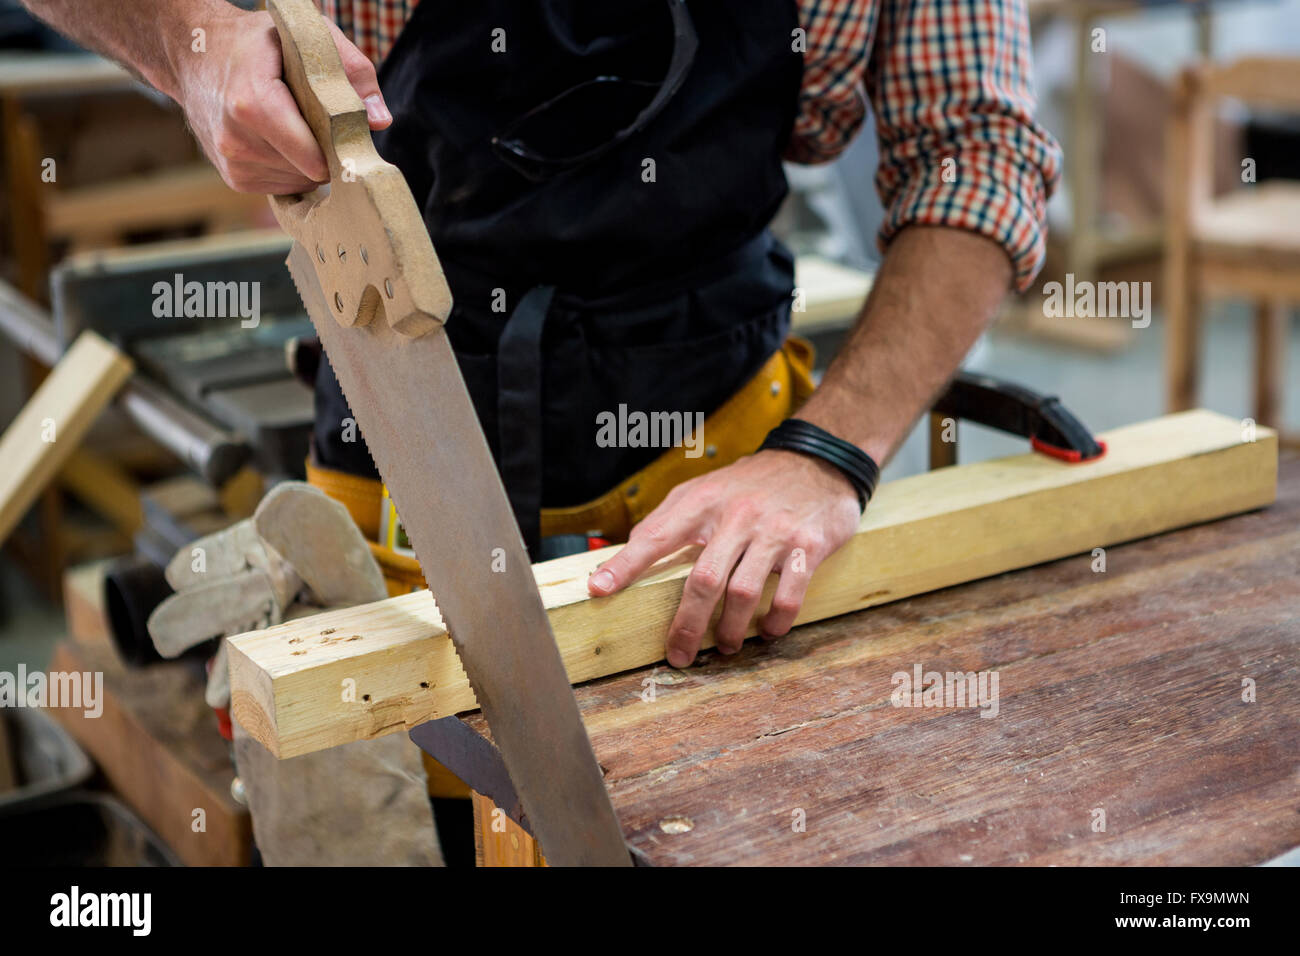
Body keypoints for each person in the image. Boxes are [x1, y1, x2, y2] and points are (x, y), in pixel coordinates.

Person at [20, 0, 1060, 672]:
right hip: (401, 484)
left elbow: (978, 150)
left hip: (725, 517)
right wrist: (193, 48)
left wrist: (829, 453)